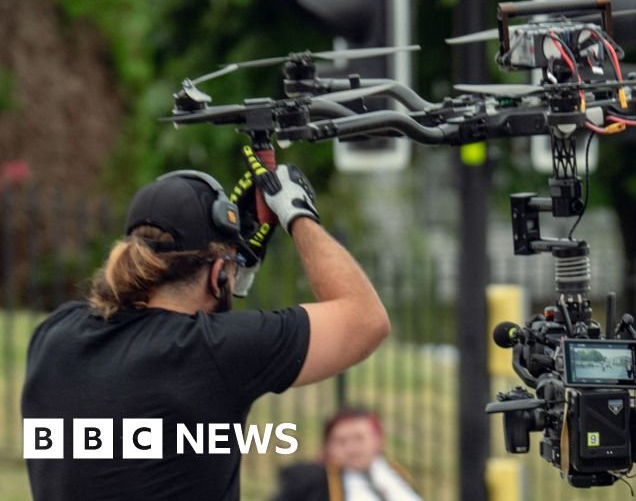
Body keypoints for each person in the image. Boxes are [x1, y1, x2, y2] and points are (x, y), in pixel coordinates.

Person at [21, 149, 391, 501]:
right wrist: (297, 213)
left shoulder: (54, 337)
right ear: (217, 276)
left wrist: (230, 270)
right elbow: (366, 321)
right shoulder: (211, 354)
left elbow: (127, 309)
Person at [271, 408, 421, 501]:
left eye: (359, 438)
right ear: (327, 447)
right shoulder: (313, 482)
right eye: (341, 441)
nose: (352, 448)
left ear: (378, 440)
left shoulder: (392, 472)